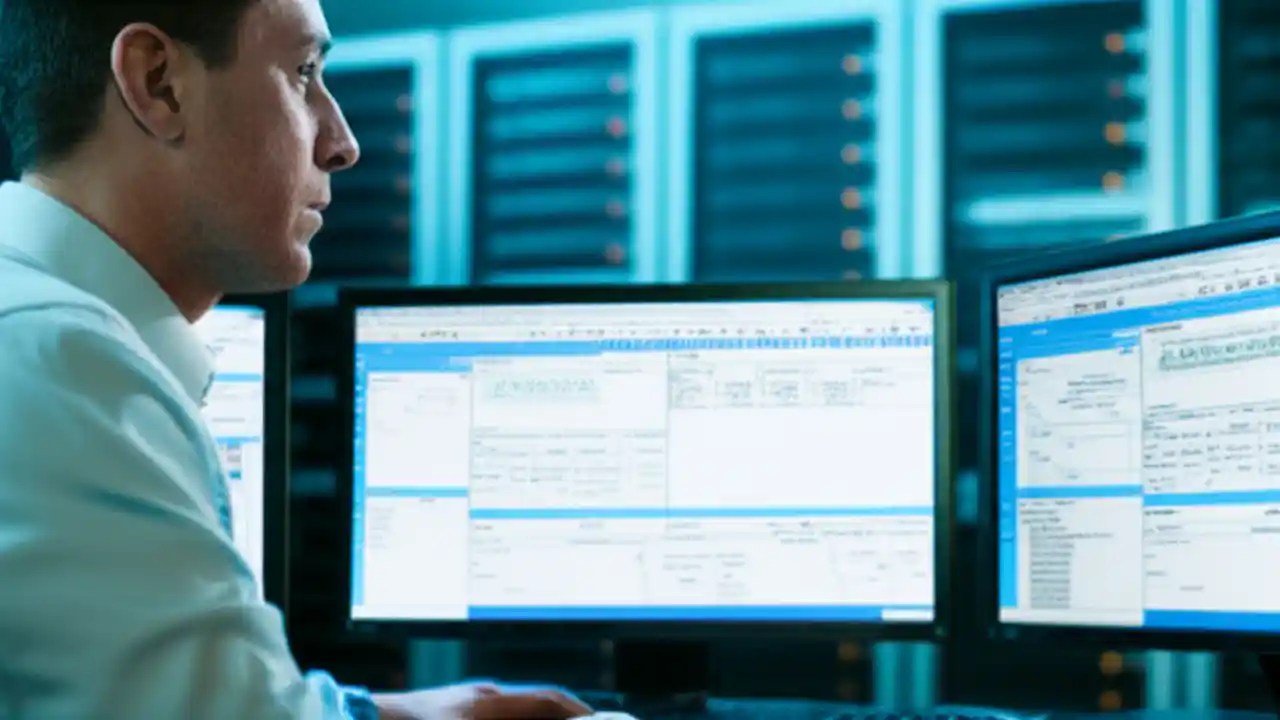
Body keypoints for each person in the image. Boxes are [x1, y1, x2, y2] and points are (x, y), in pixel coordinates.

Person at [0, 1, 596, 719]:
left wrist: (382, 713)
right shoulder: (61, 364)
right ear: (158, 83)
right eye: (304, 72)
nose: (342, 142)